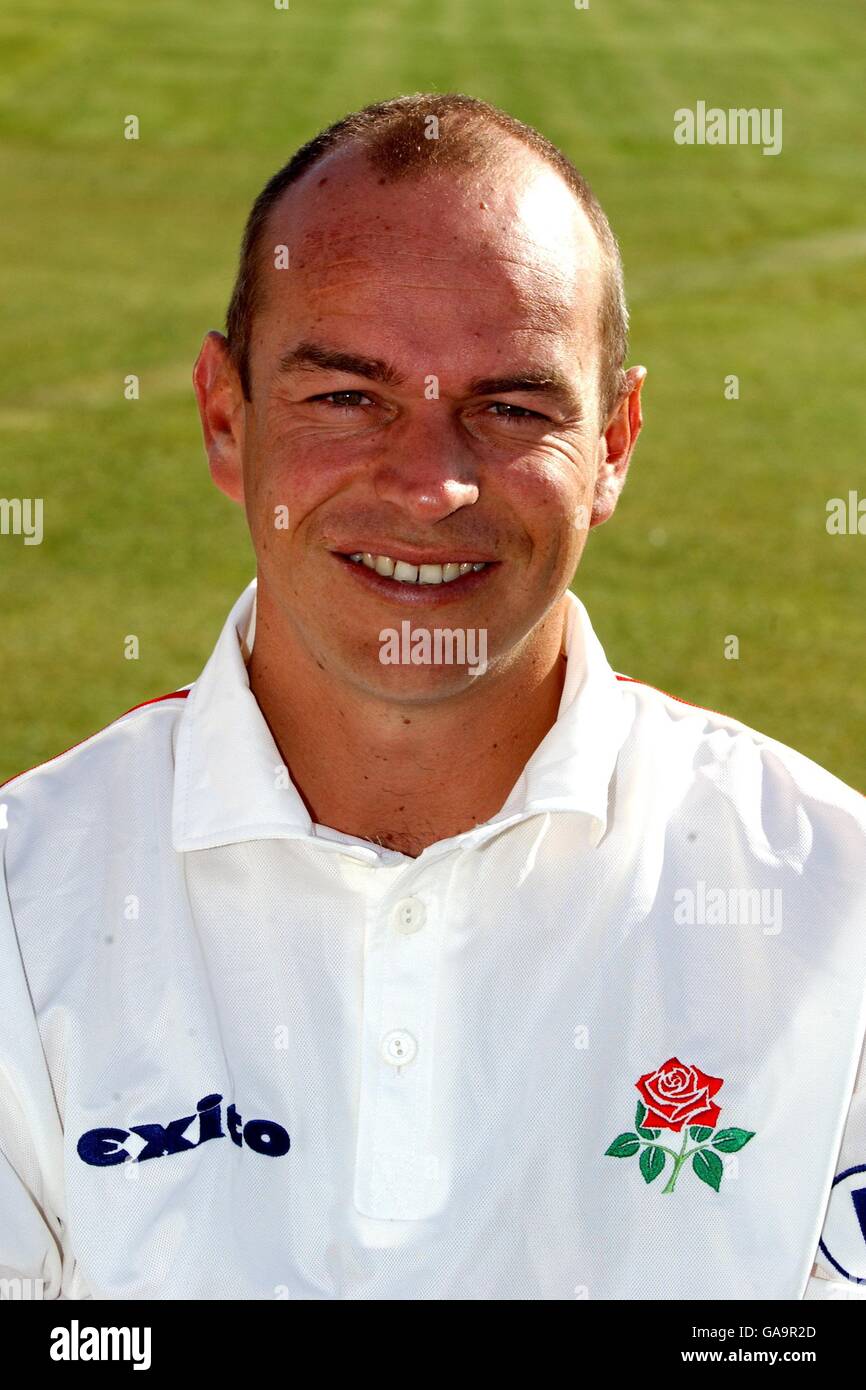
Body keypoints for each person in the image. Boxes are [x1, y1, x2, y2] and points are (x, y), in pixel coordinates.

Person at [1, 93, 864, 1301]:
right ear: (222, 414)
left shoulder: (835, 907)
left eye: (510, 407)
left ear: (613, 443)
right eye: (347, 396)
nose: (430, 483)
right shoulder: (19, 921)